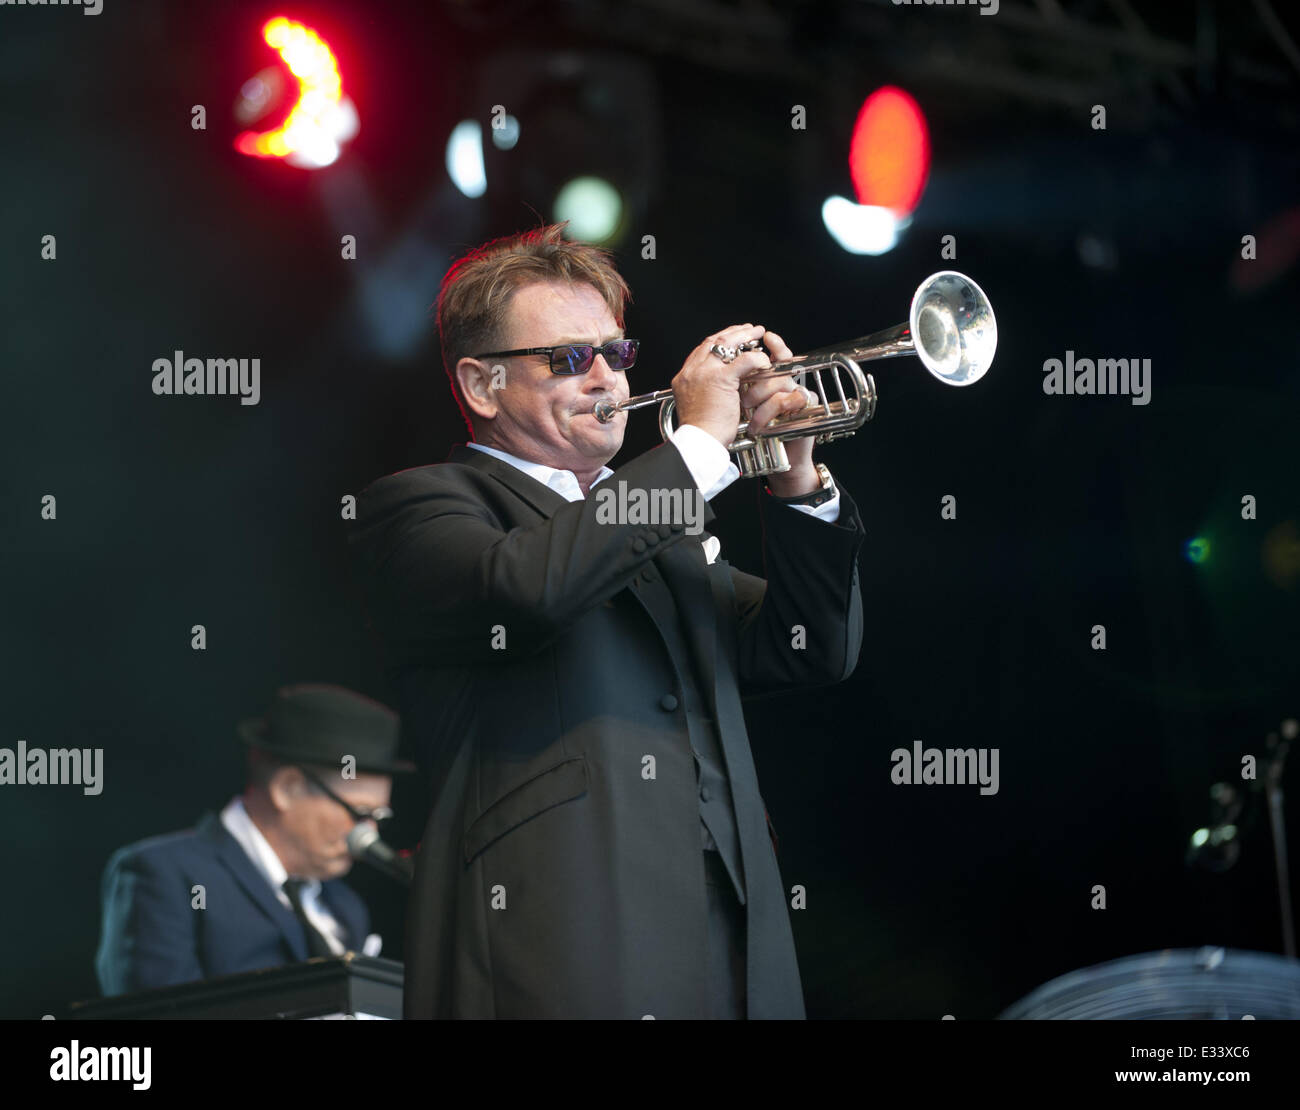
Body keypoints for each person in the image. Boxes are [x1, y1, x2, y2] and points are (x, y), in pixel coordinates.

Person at [350, 224, 864, 1018]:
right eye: (567, 359)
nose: (607, 380)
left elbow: (809, 649)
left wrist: (796, 482)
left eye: (615, 355)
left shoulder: (658, 529)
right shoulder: (423, 506)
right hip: (557, 941)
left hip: (733, 935)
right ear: (484, 386)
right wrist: (696, 447)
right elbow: (527, 588)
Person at [95, 684, 412, 996]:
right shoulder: (165, 873)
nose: (369, 832)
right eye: (359, 813)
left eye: (379, 816)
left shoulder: (345, 905)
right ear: (288, 788)